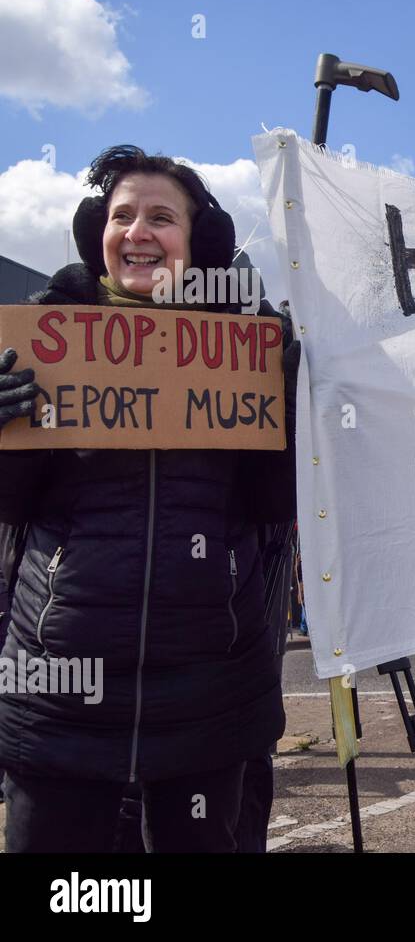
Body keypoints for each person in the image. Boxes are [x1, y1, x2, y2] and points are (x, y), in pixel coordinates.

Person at [0, 145, 297, 853]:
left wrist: (289, 406)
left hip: (209, 690)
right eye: (122, 215)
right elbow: (11, 509)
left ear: (197, 244)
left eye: (161, 218)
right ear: (98, 234)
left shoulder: (247, 347)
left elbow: (274, 507)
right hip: (60, 692)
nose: (138, 232)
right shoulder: (41, 337)